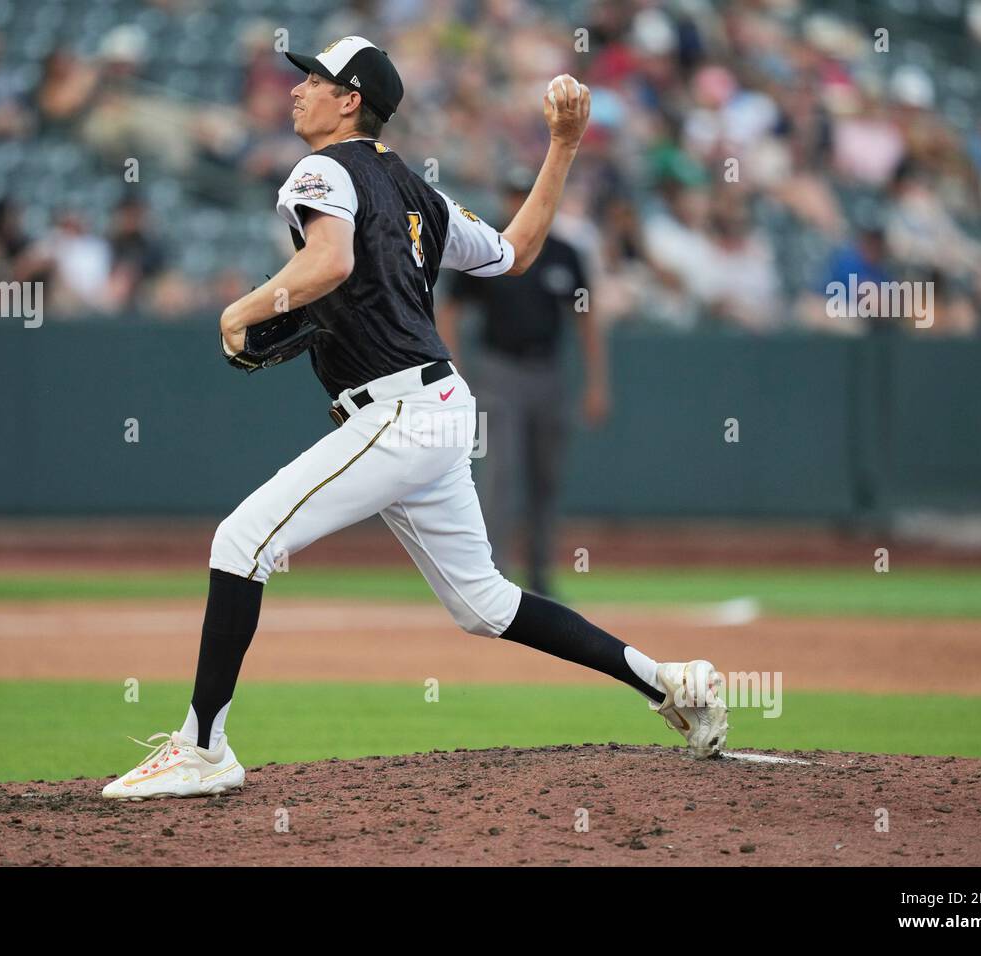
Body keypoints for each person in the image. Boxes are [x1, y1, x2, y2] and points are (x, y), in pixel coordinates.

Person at [102, 36, 728, 801]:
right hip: (434, 406)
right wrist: (562, 149)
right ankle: (669, 683)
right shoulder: (417, 192)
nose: (299, 89)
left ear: (351, 99)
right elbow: (512, 252)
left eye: (316, 79)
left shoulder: (319, 169)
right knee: (485, 603)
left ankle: (202, 747)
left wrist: (243, 306)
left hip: (398, 411)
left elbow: (328, 262)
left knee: (241, 540)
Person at [439, 167, 609, 597]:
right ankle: (492, 577)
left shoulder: (564, 253)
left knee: (545, 478)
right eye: (512, 195)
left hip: (548, 371)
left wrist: (596, 382)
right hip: (499, 372)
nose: (517, 203)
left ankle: (539, 577)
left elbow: (586, 320)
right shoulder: (487, 248)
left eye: (524, 194)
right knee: (501, 474)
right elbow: (451, 309)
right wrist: (453, 365)